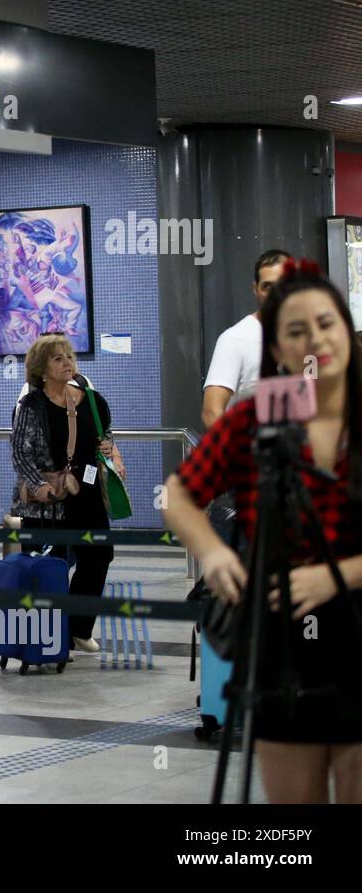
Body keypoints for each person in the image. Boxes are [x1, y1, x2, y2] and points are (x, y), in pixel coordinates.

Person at [164, 261, 362, 803]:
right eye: (295, 331)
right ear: (276, 348)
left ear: (346, 328)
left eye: (325, 323)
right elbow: (180, 494)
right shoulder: (262, 418)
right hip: (280, 643)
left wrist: (332, 577)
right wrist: (212, 552)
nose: (314, 340)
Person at [10, 334, 115, 653]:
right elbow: (19, 453)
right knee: (51, 565)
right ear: (41, 369)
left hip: (87, 492)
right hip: (47, 501)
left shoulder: (92, 399)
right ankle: (51, 638)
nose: (67, 362)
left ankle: (78, 627)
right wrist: (38, 485)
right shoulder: (32, 404)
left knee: (99, 555)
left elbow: (104, 434)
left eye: (69, 356)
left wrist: (108, 449)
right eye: (58, 358)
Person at [201, 249, 292, 429]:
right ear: (255, 289)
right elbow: (211, 412)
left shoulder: (310, 338)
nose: (275, 294)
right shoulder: (235, 339)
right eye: (267, 286)